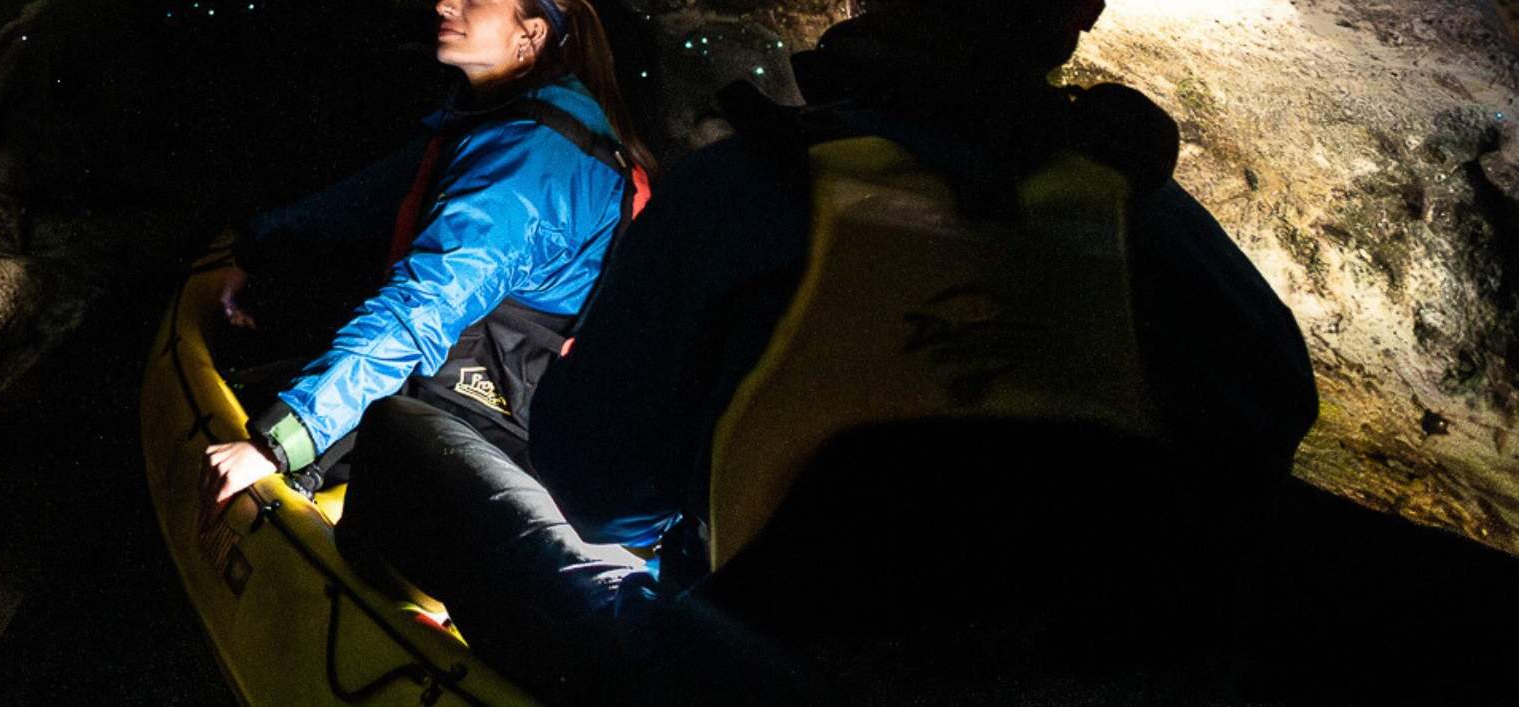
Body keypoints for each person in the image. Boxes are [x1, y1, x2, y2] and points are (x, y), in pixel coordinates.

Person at [378, 0, 1324, 701]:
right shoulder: (1143, 220)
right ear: (1081, 14)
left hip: (738, 671)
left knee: (406, 446)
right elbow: (1268, 420)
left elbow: (602, 491)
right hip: (1050, 670)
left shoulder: (744, 192)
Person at [201, 0, 656, 537]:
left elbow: (422, 308)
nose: (445, 3)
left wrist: (280, 441)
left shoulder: (532, 159)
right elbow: (376, 196)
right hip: (478, 371)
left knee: (318, 427)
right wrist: (258, 247)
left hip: (496, 412)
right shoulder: (504, 114)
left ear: (529, 34)